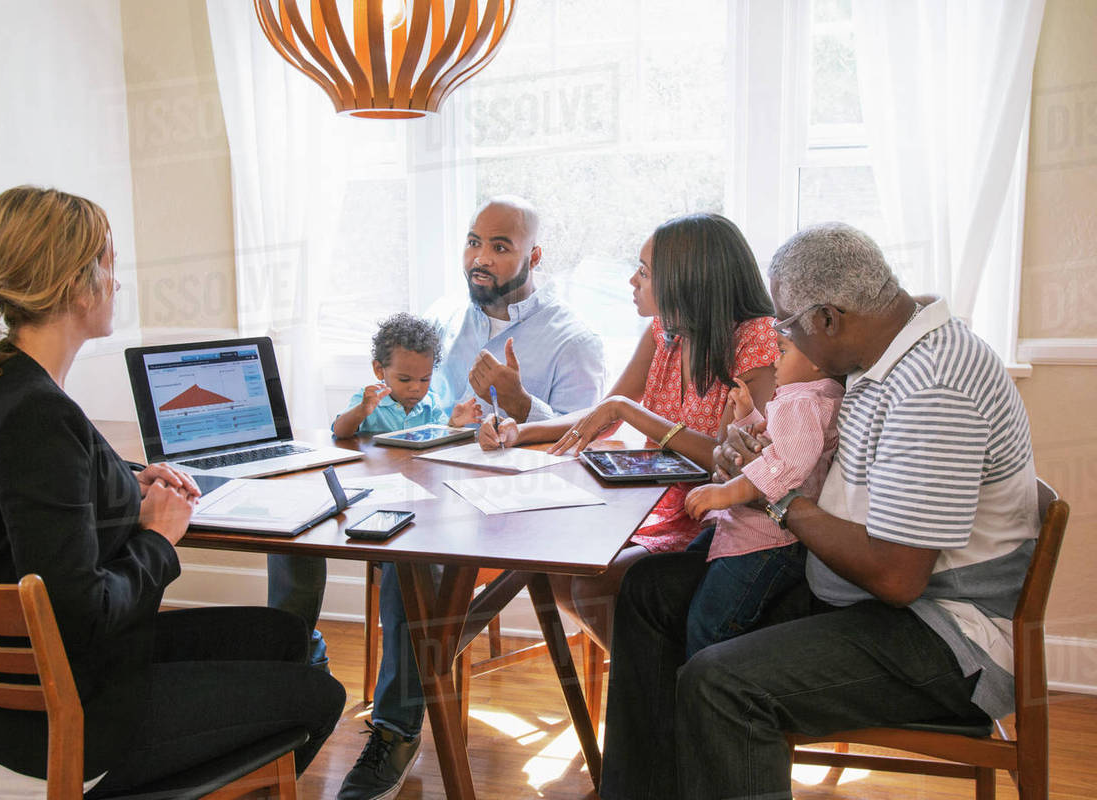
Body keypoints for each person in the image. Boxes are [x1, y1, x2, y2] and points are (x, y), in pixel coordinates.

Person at [0, 186, 345, 797]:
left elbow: (58, 487)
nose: (117, 283)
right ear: (76, 284)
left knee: (285, 637)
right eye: (110, 264)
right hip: (51, 735)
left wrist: (129, 479)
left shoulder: (9, 382)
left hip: (32, 700)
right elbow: (83, 614)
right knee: (319, 695)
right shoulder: (36, 418)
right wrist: (158, 538)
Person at [599, 222, 1039, 800]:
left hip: (943, 636)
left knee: (721, 685)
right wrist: (748, 449)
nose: (782, 341)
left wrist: (777, 497)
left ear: (829, 319)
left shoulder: (934, 387)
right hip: (856, 594)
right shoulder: (874, 357)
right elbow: (807, 451)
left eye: (787, 327)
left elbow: (897, 577)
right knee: (648, 588)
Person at [335, 195, 605, 800]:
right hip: (438, 498)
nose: (479, 259)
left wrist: (520, 405)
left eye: (500, 247)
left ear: (533, 256)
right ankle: (300, 697)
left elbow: (583, 450)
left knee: (411, 563)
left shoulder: (573, 339)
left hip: (522, 520)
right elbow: (429, 416)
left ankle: (394, 732)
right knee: (325, 529)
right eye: (473, 242)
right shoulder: (450, 321)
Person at [480, 212, 779, 650]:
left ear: (686, 280)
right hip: (652, 500)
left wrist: (627, 411)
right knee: (563, 571)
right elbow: (605, 411)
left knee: (594, 582)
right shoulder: (664, 331)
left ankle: (658, 687)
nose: (632, 283)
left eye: (644, 272)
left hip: (716, 515)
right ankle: (646, 679)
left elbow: (727, 458)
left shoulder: (756, 341)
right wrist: (518, 432)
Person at [679, 335, 843, 657]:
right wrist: (749, 414)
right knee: (695, 564)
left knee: (710, 625)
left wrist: (725, 493)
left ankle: (699, 680)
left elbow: (786, 467)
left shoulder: (803, 401)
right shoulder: (810, 397)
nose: (774, 361)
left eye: (782, 351)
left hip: (766, 541)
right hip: (763, 536)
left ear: (816, 358)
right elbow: (776, 448)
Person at [331, 312, 478, 438]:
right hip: (382, 469)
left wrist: (453, 423)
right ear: (379, 369)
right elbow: (339, 432)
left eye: (425, 379)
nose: (415, 387)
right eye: (404, 379)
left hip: (416, 469)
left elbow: (440, 436)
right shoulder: (369, 400)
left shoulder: (431, 405)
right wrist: (361, 410)